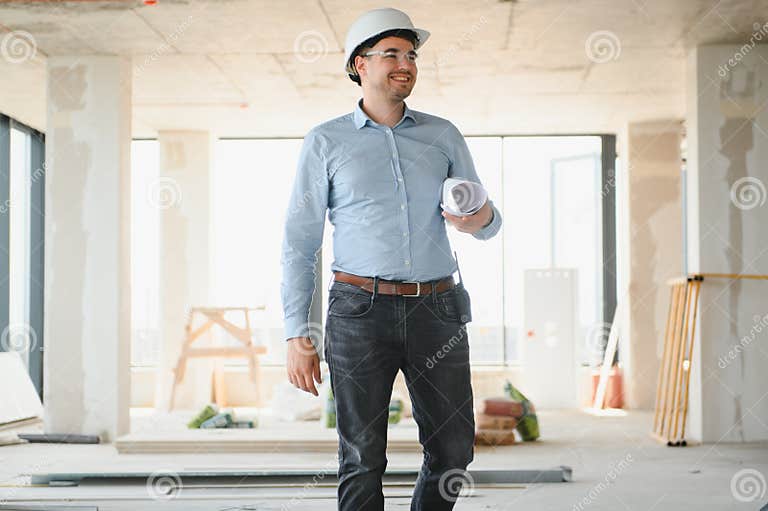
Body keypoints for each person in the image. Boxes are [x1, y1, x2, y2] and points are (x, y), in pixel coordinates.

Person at [280, 7, 502, 511]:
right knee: (361, 457)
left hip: (438, 309)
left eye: (411, 55)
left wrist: (479, 217)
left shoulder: (443, 135)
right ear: (361, 64)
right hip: (359, 311)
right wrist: (298, 332)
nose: (406, 64)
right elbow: (300, 239)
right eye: (393, 54)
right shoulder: (326, 141)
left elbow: (488, 221)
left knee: (452, 449)